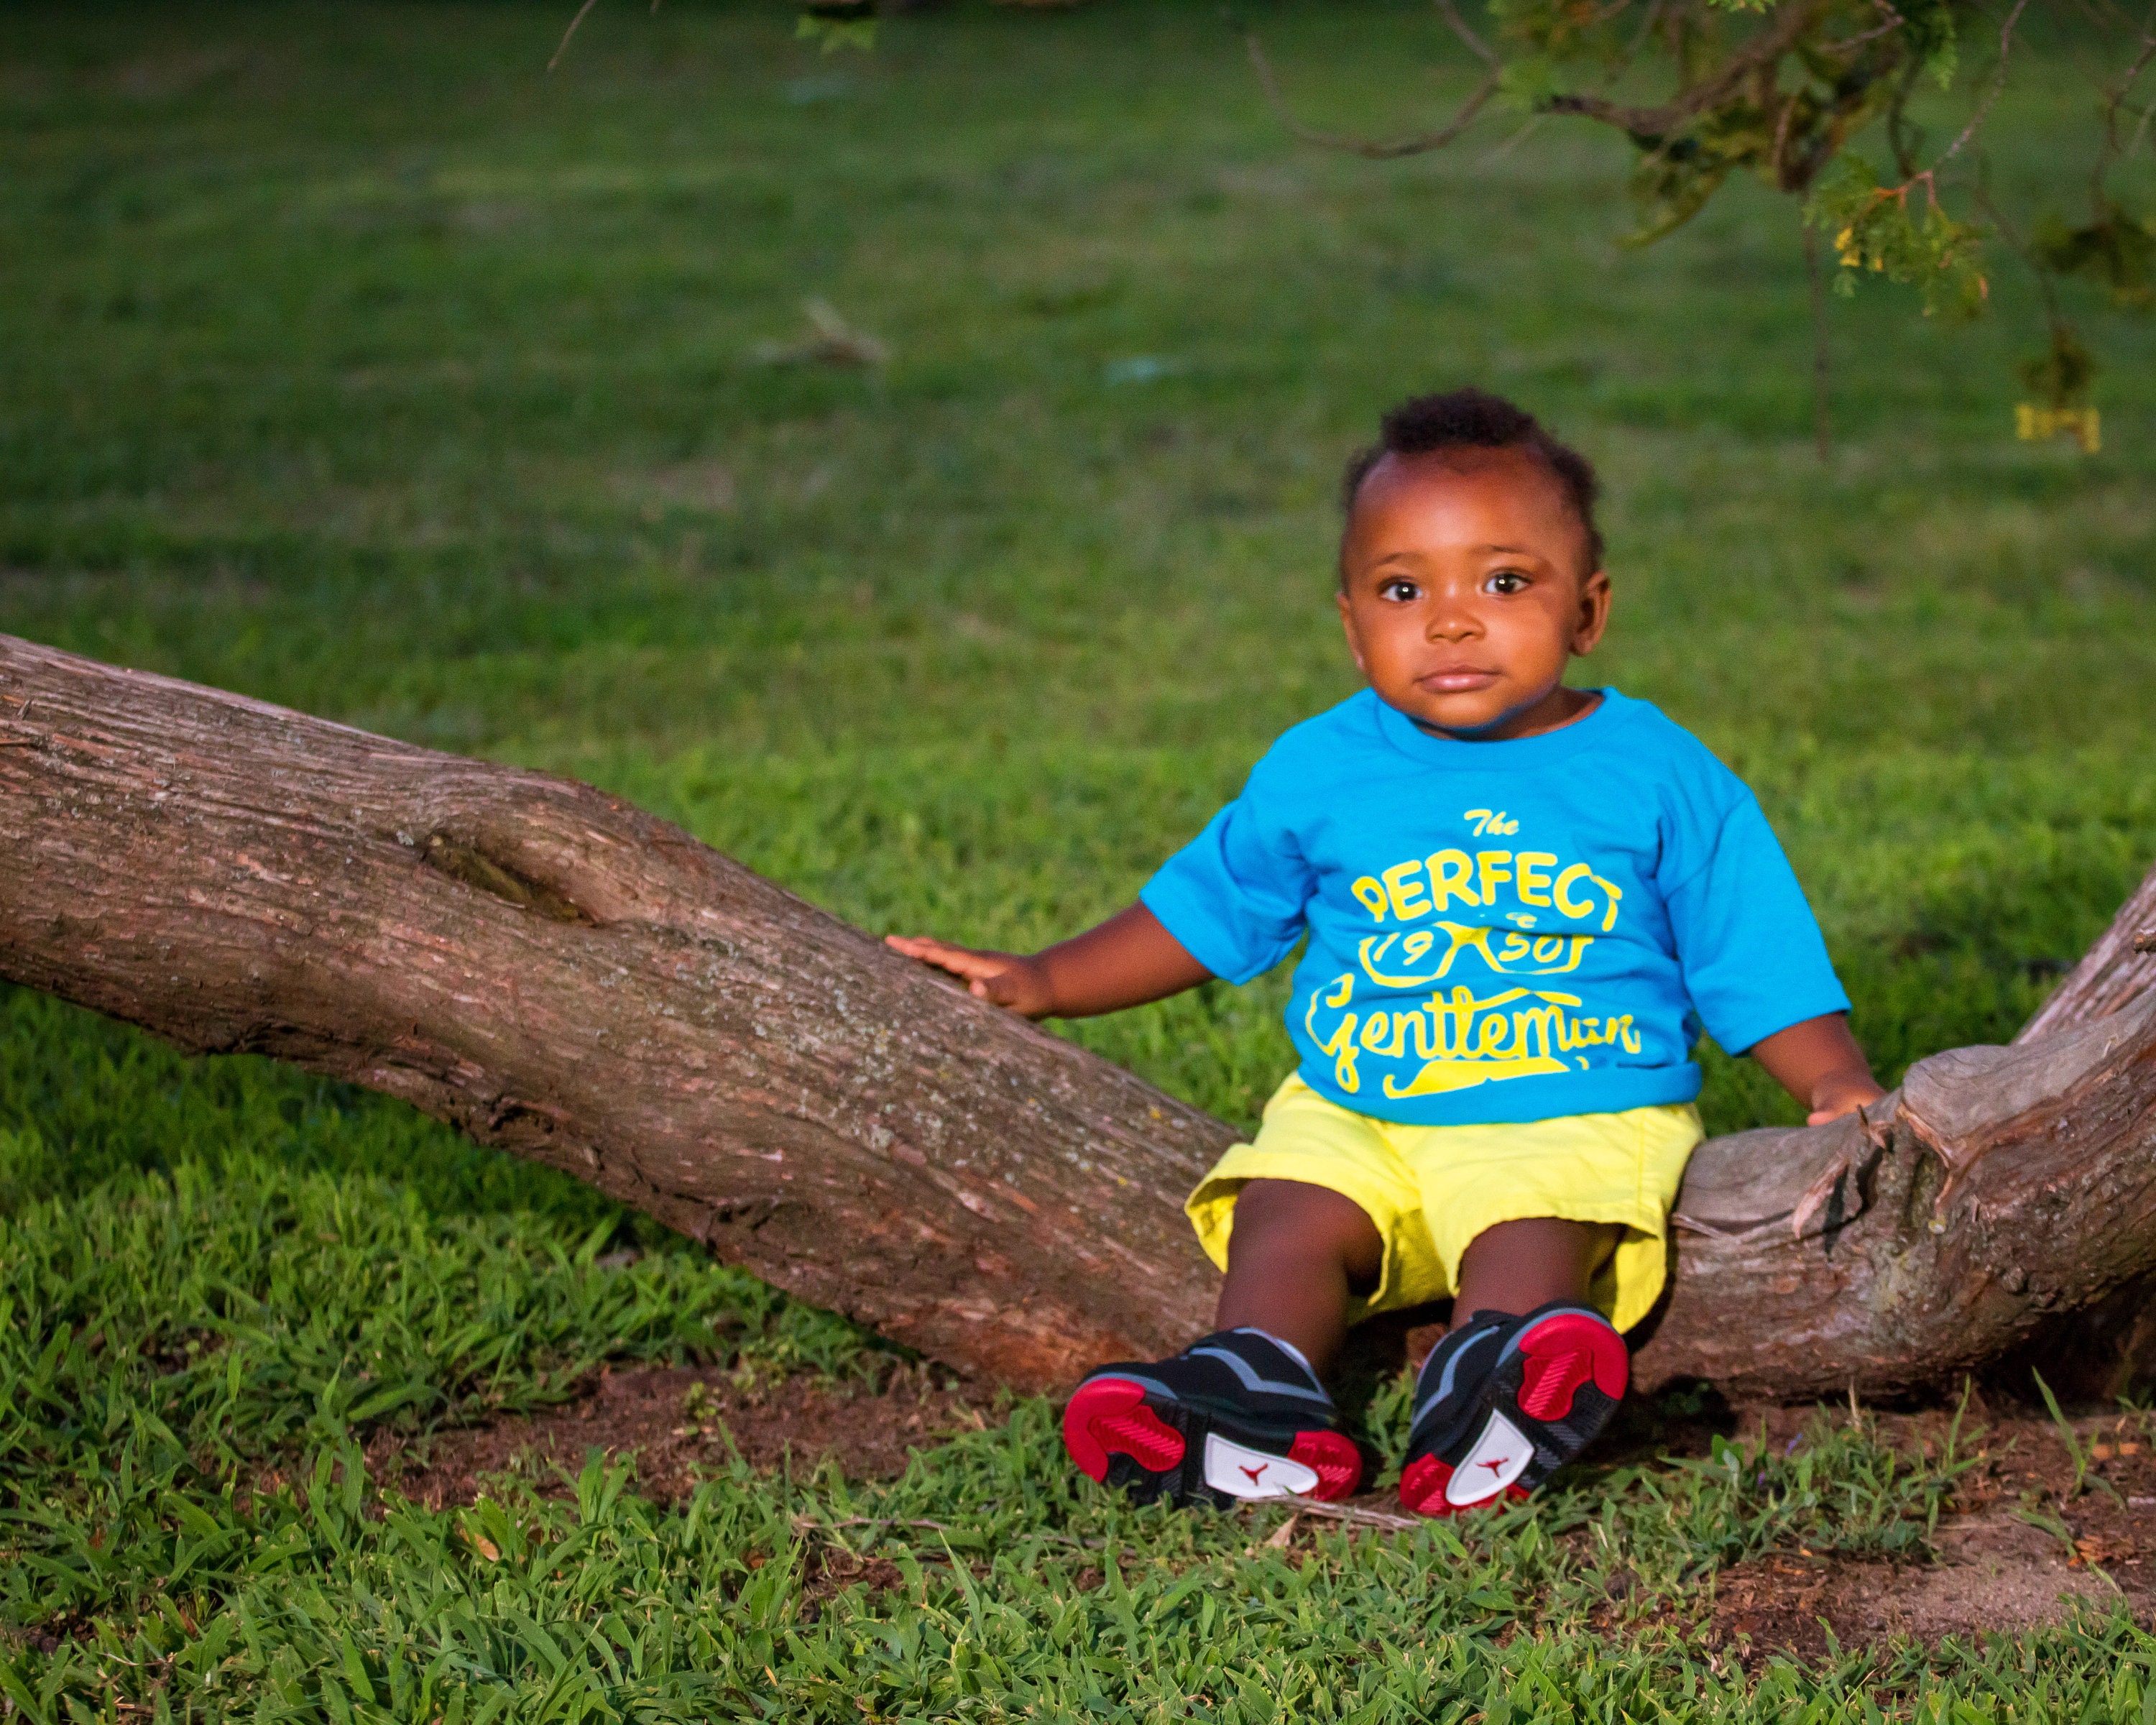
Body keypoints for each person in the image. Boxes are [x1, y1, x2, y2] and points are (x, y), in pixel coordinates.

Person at [887, 389, 1884, 1516]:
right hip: (1360, 1102)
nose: (1452, 621)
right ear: (1354, 628)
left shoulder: (1655, 770)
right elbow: (1210, 908)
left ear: (1589, 611)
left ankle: (1497, 1381)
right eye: (1404, 590)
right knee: (1286, 1208)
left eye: (1504, 583)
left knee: (1533, 1219)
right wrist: (1048, 979)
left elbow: (1748, 945)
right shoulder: (1322, 766)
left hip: (1567, 1100)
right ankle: (1253, 1390)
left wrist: (1833, 1076)